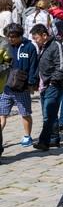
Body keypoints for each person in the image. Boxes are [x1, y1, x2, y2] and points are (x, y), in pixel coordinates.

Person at [31, 23, 63, 151]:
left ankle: (44, 141)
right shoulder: (43, 47)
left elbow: (62, 66)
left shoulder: (56, 45)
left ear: (44, 35)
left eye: (36, 37)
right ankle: (54, 139)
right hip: (45, 85)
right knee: (49, 113)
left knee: (48, 113)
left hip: (54, 85)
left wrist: (53, 81)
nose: (35, 40)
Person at [0, 24, 37, 155]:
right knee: (2, 113)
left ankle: (27, 136)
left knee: (25, 112)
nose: (11, 39)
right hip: (6, 87)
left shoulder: (29, 47)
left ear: (20, 36)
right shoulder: (5, 46)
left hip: (22, 87)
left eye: (13, 37)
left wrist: (32, 83)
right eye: (8, 36)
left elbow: (33, 66)